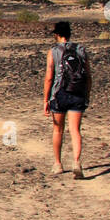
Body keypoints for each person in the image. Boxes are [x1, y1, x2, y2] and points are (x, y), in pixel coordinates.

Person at [42, 20, 90, 178]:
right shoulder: (80, 49)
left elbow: (49, 77)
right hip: (77, 93)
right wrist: (86, 95)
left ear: (56, 34)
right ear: (69, 34)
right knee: (75, 130)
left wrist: (46, 100)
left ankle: (58, 164)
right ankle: (76, 161)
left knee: (58, 130)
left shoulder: (53, 51)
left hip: (59, 94)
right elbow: (88, 76)